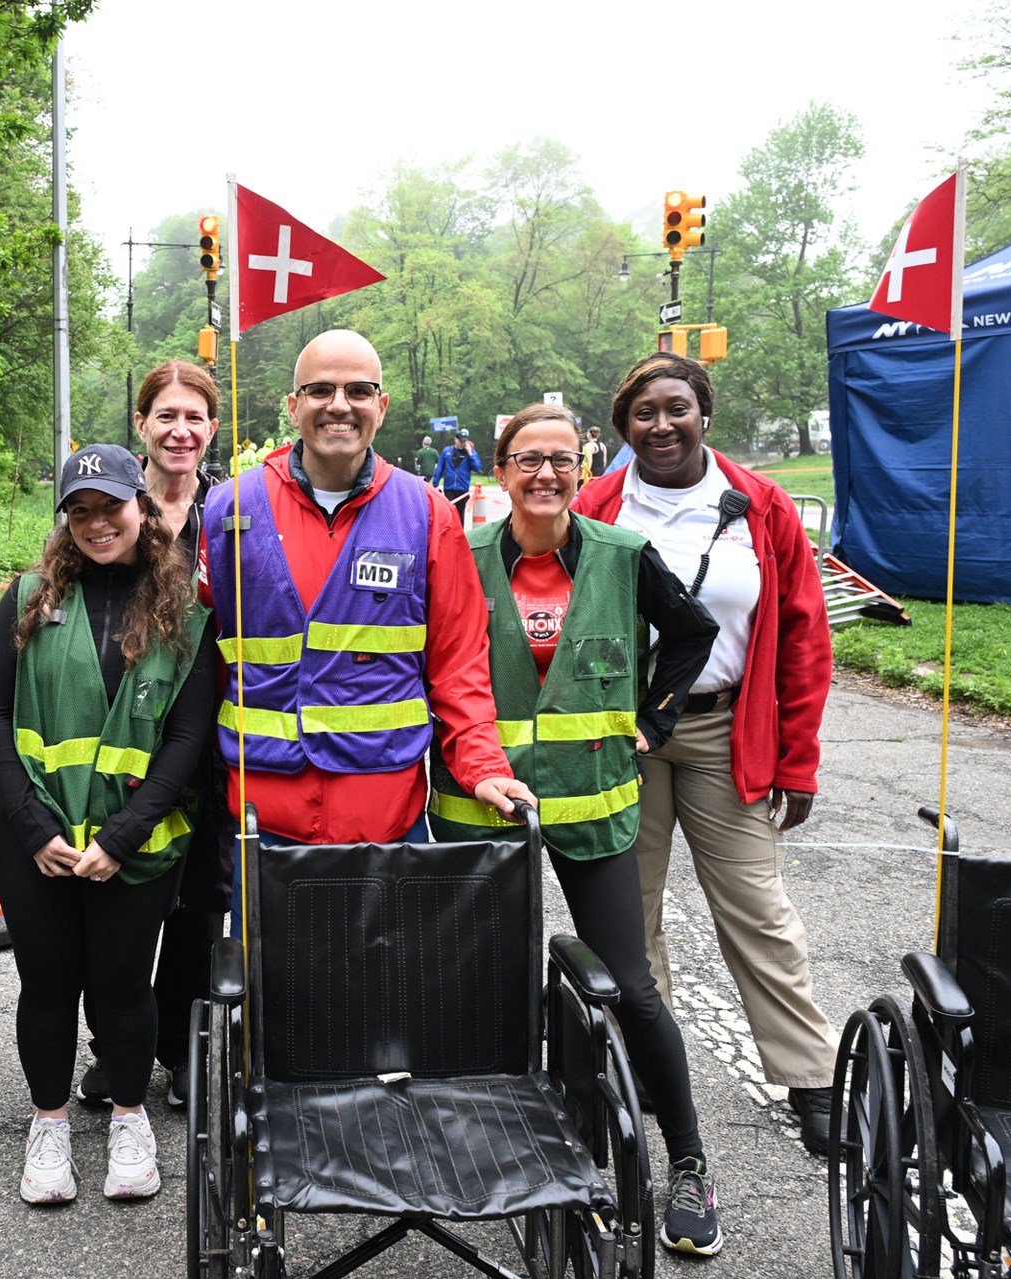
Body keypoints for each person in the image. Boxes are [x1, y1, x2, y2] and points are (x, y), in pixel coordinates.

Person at [428, 401, 726, 1257]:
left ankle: (690, 1162)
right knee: (486, 989)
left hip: (595, 804)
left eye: (562, 458)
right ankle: (499, 1147)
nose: (546, 474)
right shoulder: (460, 554)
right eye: (528, 459)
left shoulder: (623, 556)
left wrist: (655, 719)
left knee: (630, 989)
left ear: (584, 461)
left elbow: (692, 633)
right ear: (500, 468)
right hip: (480, 809)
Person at [575, 351, 839, 1157]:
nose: (662, 425)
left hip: (730, 728)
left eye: (676, 408)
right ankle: (648, 1069)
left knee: (757, 907)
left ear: (704, 413)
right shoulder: (597, 504)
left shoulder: (759, 504)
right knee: (634, 912)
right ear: (625, 426)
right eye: (644, 413)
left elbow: (801, 636)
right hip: (627, 734)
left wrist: (798, 758)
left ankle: (810, 1074)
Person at [0, 443, 217, 1205]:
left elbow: (186, 740)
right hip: (34, 837)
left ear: (140, 508)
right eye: (77, 511)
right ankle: (48, 1123)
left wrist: (122, 838)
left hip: (133, 845)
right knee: (46, 983)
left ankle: (128, 1116)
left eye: (109, 506)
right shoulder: (27, 599)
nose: (94, 522)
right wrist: (30, 825)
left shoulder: (185, 610)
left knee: (121, 986)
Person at [202, 329, 532, 861]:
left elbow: (458, 663)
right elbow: (203, 658)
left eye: (358, 391)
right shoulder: (229, 510)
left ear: (381, 406)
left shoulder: (427, 515)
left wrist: (484, 768)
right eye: (320, 391)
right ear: (293, 406)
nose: (339, 406)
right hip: (261, 827)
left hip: (388, 822)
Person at [76, 362, 229, 1111]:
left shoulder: (233, 514)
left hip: (210, 730)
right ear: (142, 425)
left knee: (199, 901)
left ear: (212, 428)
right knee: (116, 898)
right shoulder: (106, 504)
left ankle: (183, 1047)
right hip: (120, 732)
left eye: (194, 417)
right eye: (165, 415)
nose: (180, 430)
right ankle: (114, 1048)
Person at [432, 428, 485, 519]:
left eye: (464, 441)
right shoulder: (447, 451)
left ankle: (460, 532)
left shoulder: (471, 453)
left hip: (462, 489)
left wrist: (470, 454)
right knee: (448, 514)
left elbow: (477, 467)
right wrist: (435, 484)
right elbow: (440, 468)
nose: (462, 443)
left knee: (460, 515)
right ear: (455, 439)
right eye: (460, 441)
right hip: (449, 488)